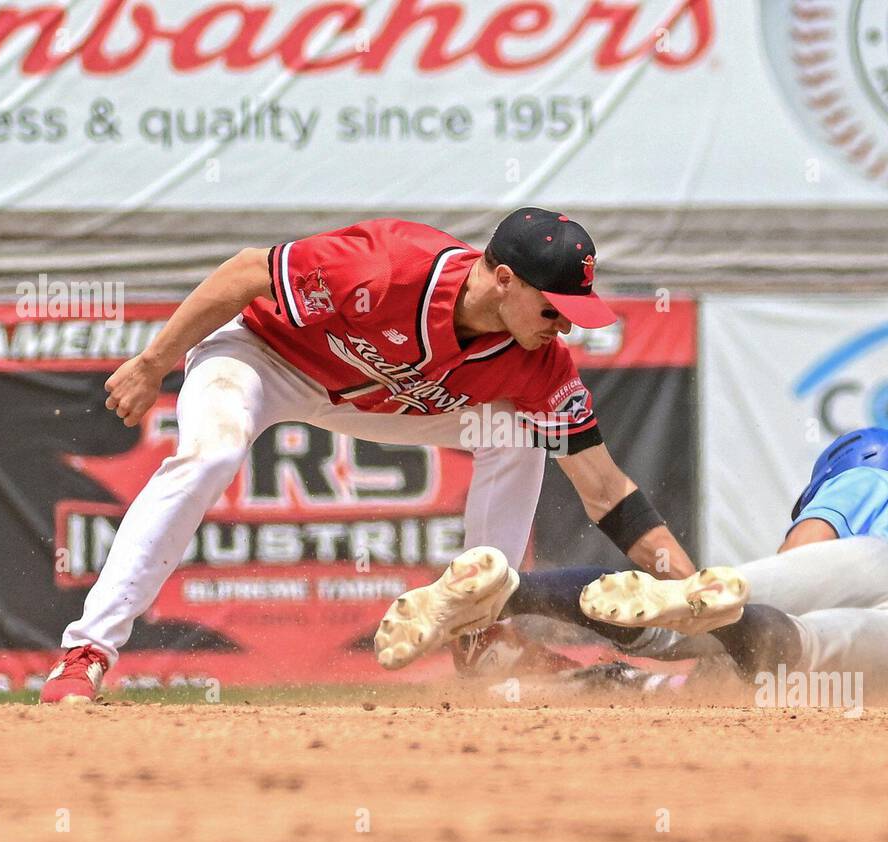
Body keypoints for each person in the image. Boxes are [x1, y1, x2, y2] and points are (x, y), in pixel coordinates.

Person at [41, 208, 695, 703]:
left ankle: (478, 631)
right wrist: (155, 361)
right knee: (212, 452)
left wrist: (699, 599)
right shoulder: (390, 267)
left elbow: (607, 492)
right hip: (265, 358)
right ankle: (86, 651)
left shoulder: (540, 364)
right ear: (504, 280)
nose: (569, 326)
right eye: (558, 309)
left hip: (378, 397)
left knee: (518, 432)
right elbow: (246, 270)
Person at [387, 428, 888, 697]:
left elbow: (807, 553)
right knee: (784, 646)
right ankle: (691, 636)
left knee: (697, 624)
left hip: (882, 574)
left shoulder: (866, 476)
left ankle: (509, 593)